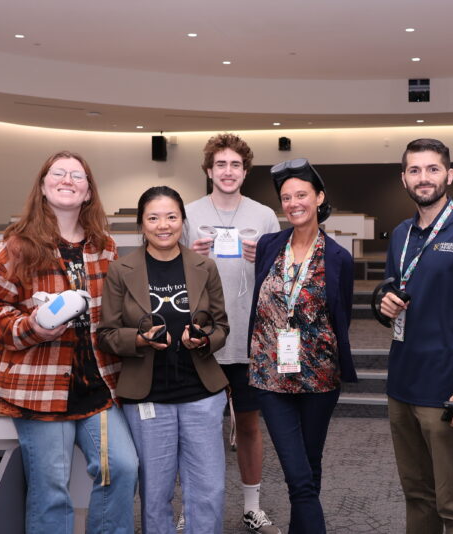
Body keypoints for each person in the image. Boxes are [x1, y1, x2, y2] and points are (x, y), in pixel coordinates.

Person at [0, 150, 138, 534]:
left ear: (88, 193)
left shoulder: (105, 247)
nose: (68, 180)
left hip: (97, 385)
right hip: (39, 388)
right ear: (44, 186)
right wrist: (34, 326)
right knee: (51, 489)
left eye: (77, 176)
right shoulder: (15, 246)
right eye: (59, 173)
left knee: (123, 467)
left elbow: (116, 312)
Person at [379, 138, 453, 533]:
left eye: (432, 169)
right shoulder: (400, 234)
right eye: (414, 170)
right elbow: (392, 290)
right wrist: (384, 302)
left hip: (447, 389)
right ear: (403, 179)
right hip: (402, 384)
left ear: (449, 175)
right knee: (417, 496)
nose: (423, 177)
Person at [97, 186, 229, 534]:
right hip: (148, 398)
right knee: (155, 495)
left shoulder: (205, 267)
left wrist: (203, 340)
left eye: (171, 216)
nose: (163, 225)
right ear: (141, 224)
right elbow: (107, 334)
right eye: (153, 218)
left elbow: (221, 327)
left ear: (183, 221)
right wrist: (140, 340)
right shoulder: (121, 270)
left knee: (208, 491)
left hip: (201, 393)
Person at [248, 158, 356, 534]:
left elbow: (339, 315)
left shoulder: (339, 258)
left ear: (319, 198)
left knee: (309, 467)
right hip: (269, 376)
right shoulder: (268, 246)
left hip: (319, 378)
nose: (294, 203)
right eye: (286, 197)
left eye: (302, 195)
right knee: (298, 475)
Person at [183, 133, 281, 533]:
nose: (228, 171)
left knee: (249, 425)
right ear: (208, 170)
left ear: (245, 171)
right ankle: (192, 510)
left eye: (235, 165)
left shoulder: (264, 216)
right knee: (197, 429)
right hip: (200, 340)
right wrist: (191, 257)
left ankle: (252, 506)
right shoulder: (186, 214)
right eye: (220, 164)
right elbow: (167, 272)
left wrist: (265, 261)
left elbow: (281, 280)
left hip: (248, 337)